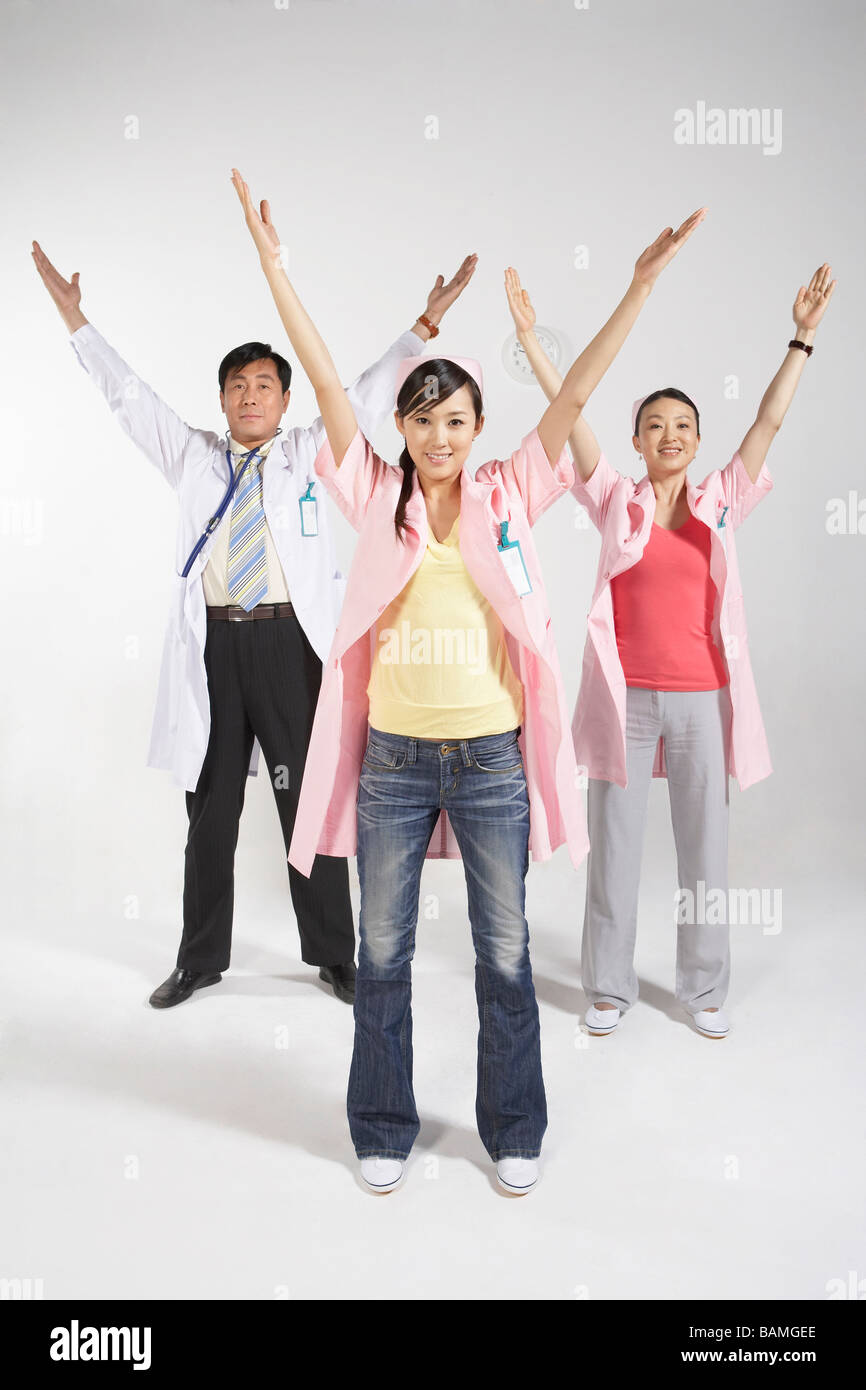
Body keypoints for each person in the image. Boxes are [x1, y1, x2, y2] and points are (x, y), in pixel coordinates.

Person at [231, 169, 704, 1194]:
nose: (438, 437)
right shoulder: (371, 492)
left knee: (501, 954)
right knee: (385, 953)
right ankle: (381, 1122)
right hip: (394, 766)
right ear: (400, 427)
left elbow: (573, 395)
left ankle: (513, 1124)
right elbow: (319, 384)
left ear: (476, 430)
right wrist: (275, 269)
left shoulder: (503, 493)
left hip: (490, 760)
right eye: (421, 419)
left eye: (454, 421)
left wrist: (637, 288)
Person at [31, 236, 476, 1008]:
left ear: (284, 399)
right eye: (236, 386)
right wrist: (77, 321)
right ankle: (200, 959)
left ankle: (336, 954)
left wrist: (424, 328)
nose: (249, 396)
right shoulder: (193, 456)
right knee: (209, 809)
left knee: (310, 798)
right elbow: (128, 397)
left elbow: (366, 392)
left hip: (289, 646)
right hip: (213, 648)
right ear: (222, 401)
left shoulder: (308, 451)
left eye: (263, 385)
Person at [524, 252, 836, 1039]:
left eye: (684, 426)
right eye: (655, 425)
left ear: (698, 440)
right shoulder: (612, 501)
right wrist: (533, 343)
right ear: (635, 438)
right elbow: (570, 407)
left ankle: (701, 989)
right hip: (625, 700)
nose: (669, 435)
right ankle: (608, 988)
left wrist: (799, 340)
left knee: (706, 852)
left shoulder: (721, 498)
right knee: (615, 850)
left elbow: (767, 421)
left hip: (701, 701)